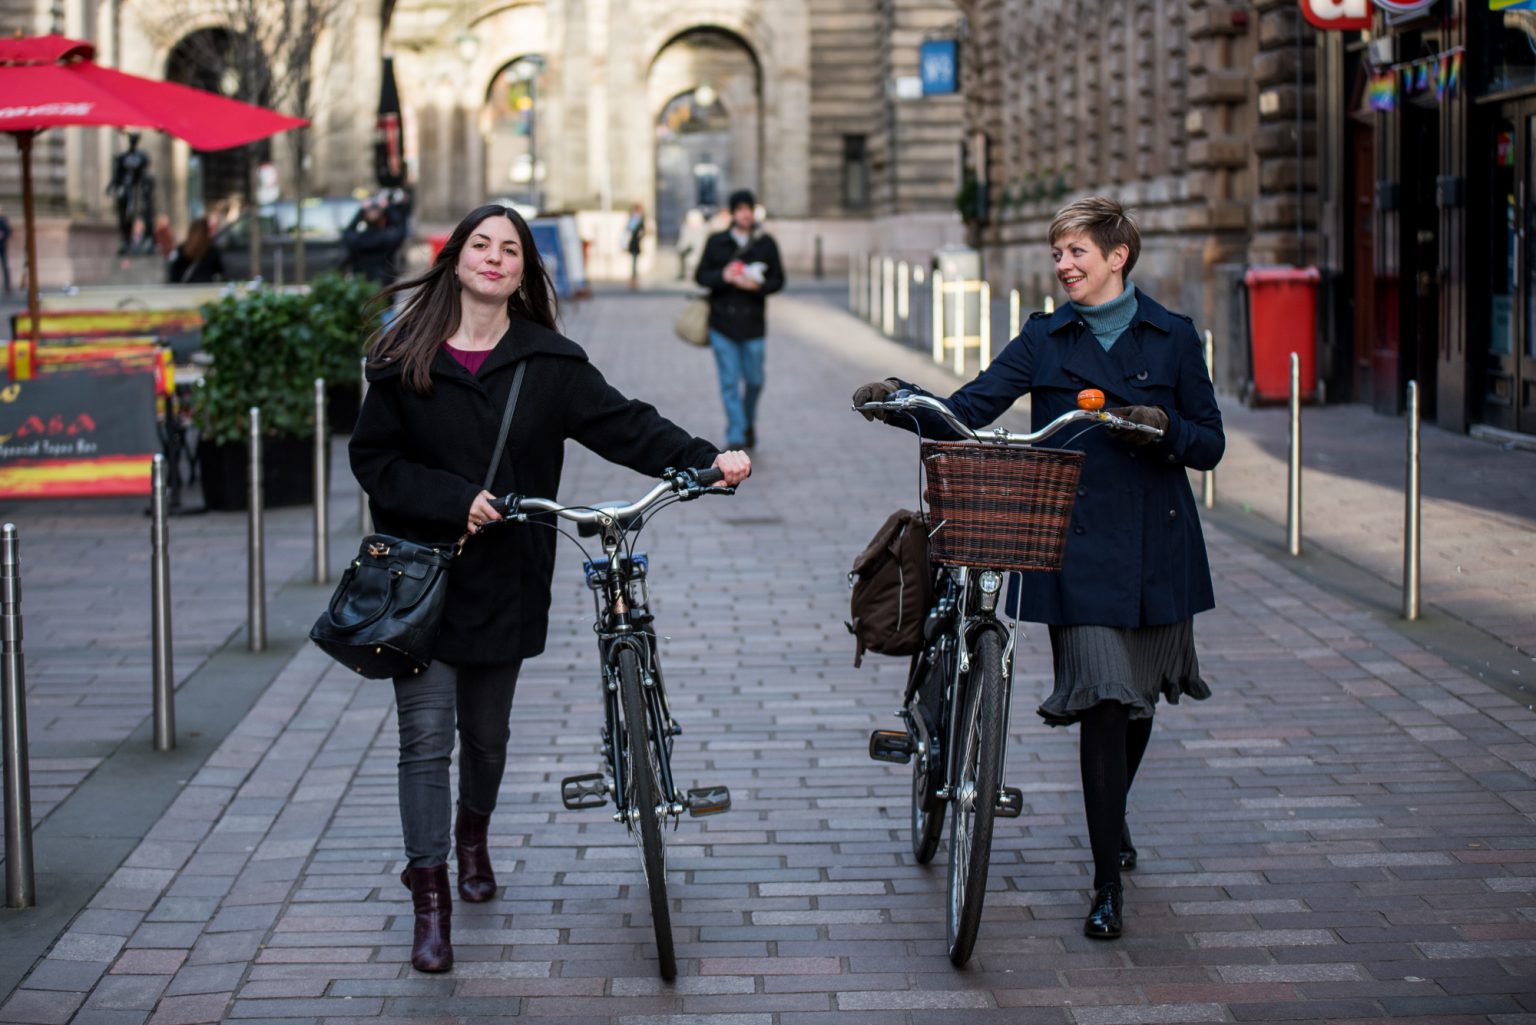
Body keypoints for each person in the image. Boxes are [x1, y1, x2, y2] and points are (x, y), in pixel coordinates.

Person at [349, 203, 751, 974]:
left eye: (510, 249)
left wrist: (707, 458)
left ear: (525, 270)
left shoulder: (548, 360)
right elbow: (376, 463)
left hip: (506, 577)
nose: (494, 258)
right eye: (481, 244)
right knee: (426, 741)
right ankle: (429, 902)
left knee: (488, 740)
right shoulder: (403, 354)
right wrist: (450, 497)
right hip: (419, 579)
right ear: (455, 258)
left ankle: (474, 832)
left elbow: (625, 424)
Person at [851, 196, 1223, 941]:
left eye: (1077, 252)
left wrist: (1163, 427)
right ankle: (1105, 882)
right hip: (1075, 549)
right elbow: (971, 408)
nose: (1064, 266)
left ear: (1118, 256)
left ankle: (1111, 820)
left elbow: (1209, 443)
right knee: (1105, 704)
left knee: (1140, 705)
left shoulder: (1174, 336)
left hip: (1158, 546)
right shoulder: (1045, 339)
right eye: (1058, 254)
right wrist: (904, 405)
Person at [694, 189, 784, 450]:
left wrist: (757, 286)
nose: (746, 213)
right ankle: (736, 434)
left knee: (755, 381)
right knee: (729, 382)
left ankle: (747, 422)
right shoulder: (716, 241)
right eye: (740, 209)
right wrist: (724, 277)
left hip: (754, 324)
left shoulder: (765, 243)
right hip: (722, 324)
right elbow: (701, 276)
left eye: (749, 208)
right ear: (732, 213)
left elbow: (779, 280)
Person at [343, 195, 407, 286]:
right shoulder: (386, 238)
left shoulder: (359, 239)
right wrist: (387, 208)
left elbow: (347, 233)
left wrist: (361, 211)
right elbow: (401, 229)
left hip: (361, 283)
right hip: (384, 284)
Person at [107, 134, 154, 255]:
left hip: (139, 190)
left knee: (144, 213)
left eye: (135, 139)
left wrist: (146, 186)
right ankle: (126, 240)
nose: (133, 141)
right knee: (125, 216)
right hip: (127, 190)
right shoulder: (123, 157)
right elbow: (117, 174)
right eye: (131, 139)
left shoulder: (142, 156)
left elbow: (145, 173)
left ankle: (146, 239)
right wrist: (111, 186)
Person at [166, 217, 224, 284]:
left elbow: (174, 273)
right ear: (206, 232)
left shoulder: (182, 249)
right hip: (205, 287)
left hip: (184, 289)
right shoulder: (212, 250)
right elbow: (219, 272)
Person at [624, 201, 645, 289]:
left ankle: (634, 282)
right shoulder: (637, 219)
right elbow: (640, 232)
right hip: (634, 243)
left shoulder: (634, 219)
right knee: (634, 264)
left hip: (634, 243)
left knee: (634, 264)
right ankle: (634, 282)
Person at [0, 204, 11, 295]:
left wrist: (3, 235)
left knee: (5, 267)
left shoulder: (4, 220)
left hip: (2, 246)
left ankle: (7, 287)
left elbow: (8, 231)